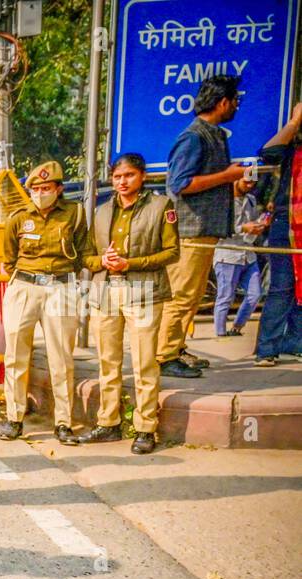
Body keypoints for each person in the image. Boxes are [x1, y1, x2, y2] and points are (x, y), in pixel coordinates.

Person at [79, 153, 179, 455]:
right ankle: (108, 422)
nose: (123, 182)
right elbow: (86, 256)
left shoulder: (161, 206)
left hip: (144, 290)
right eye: (118, 176)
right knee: (108, 362)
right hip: (106, 290)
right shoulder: (101, 211)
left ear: (143, 176)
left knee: (144, 362)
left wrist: (130, 263)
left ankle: (146, 427)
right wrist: (103, 261)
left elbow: (172, 253)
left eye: (129, 176)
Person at [160, 74, 245, 378]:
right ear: (223, 102)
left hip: (206, 230)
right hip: (189, 233)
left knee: (194, 296)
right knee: (181, 295)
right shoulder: (194, 136)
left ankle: (176, 348)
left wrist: (235, 185)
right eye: (236, 99)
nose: (237, 105)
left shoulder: (214, 135)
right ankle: (164, 356)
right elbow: (179, 183)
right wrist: (227, 176)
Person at [0, 159, 88, 445]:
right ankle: (14, 417)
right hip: (25, 285)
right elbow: (9, 256)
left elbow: (84, 249)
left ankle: (63, 422)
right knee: (15, 354)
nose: (40, 193)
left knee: (61, 357)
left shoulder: (74, 214)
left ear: (59, 189)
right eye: (35, 188)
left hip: (61, 286)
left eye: (46, 187)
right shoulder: (18, 216)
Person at [253, 102, 302, 367]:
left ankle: (295, 342)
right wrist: (294, 122)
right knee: (283, 287)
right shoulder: (292, 148)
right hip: (289, 221)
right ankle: (266, 349)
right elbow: (268, 154)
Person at [213, 178, 268, 338]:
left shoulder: (250, 199)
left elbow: (252, 223)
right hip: (228, 255)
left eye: (253, 183)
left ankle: (237, 326)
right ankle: (220, 332)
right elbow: (218, 228)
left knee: (255, 294)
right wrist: (243, 228)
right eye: (246, 182)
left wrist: (259, 225)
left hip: (248, 254)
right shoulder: (222, 200)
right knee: (226, 296)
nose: (250, 186)